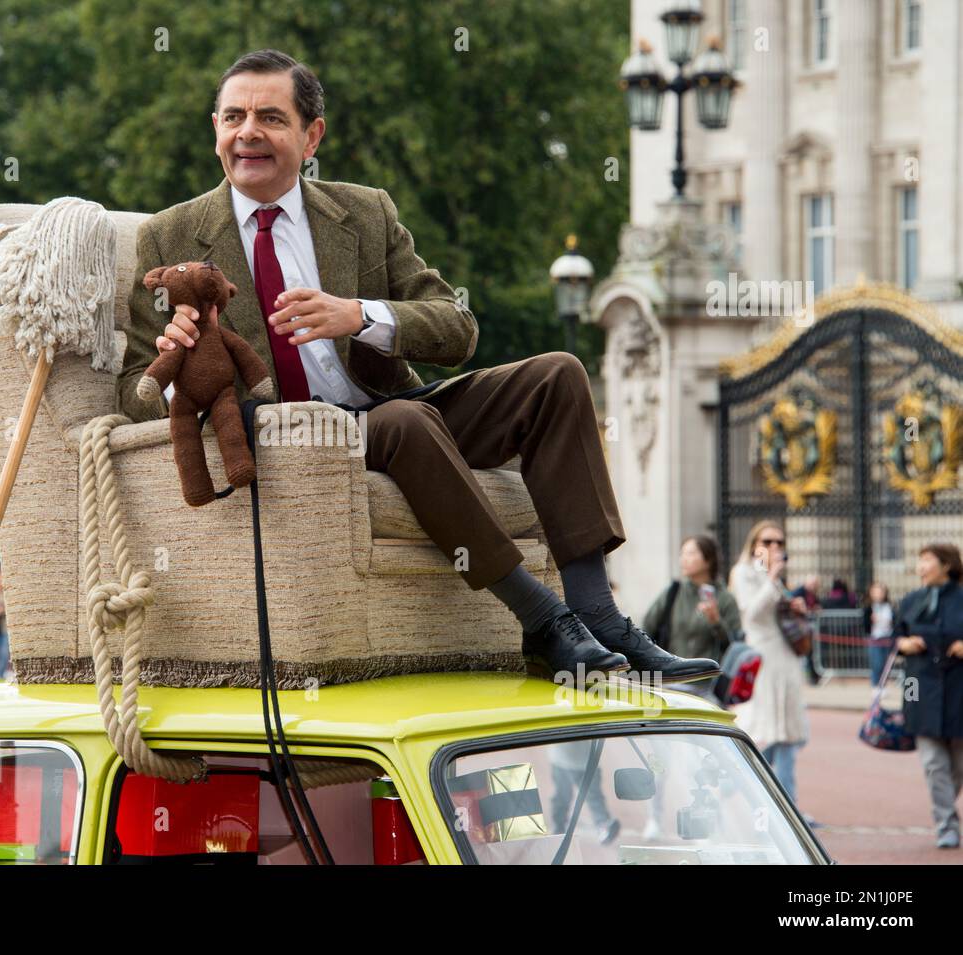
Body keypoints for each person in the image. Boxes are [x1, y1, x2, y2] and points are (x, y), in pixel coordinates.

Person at [116, 48, 718, 686]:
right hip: (294, 439)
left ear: (311, 134)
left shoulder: (366, 212)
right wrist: (169, 363)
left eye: (271, 116)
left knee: (559, 373)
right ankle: (544, 621)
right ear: (215, 130)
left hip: (391, 407)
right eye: (233, 117)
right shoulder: (170, 237)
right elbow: (132, 393)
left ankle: (599, 615)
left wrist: (362, 315)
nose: (248, 133)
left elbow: (457, 328)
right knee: (405, 420)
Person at [728, 520, 809, 813]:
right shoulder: (744, 573)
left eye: (779, 543)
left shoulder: (770, 576)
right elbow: (750, 614)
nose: (774, 547)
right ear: (754, 544)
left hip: (784, 658)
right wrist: (773, 579)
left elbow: (778, 611)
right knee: (764, 730)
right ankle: (737, 792)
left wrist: (794, 603)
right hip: (761, 657)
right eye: (767, 541)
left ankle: (790, 807)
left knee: (786, 733)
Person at [895, 543, 963, 850]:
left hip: (958, 688)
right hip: (918, 688)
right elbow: (891, 637)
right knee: (934, 765)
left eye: (927, 560)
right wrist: (903, 644)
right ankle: (946, 824)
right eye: (919, 560)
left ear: (946, 565)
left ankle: (945, 808)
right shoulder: (911, 600)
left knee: (957, 766)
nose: (921, 566)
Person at [641, 535, 742, 704]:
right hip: (669, 683)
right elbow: (646, 627)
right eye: (682, 554)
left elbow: (734, 645)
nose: (683, 559)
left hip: (706, 687)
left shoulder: (725, 599)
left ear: (708, 560)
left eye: (691, 553)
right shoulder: (674, 592)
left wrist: (716, 622)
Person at [864, 582, 897, 689]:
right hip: (875, 638)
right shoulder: (869, 607)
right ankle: (875, 685)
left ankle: (882, 685)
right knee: (876, 663)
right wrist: (870, 620)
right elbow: (865, 624)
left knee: (886, 664)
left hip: (887, 638)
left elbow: (895, 621)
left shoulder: (889, 606)